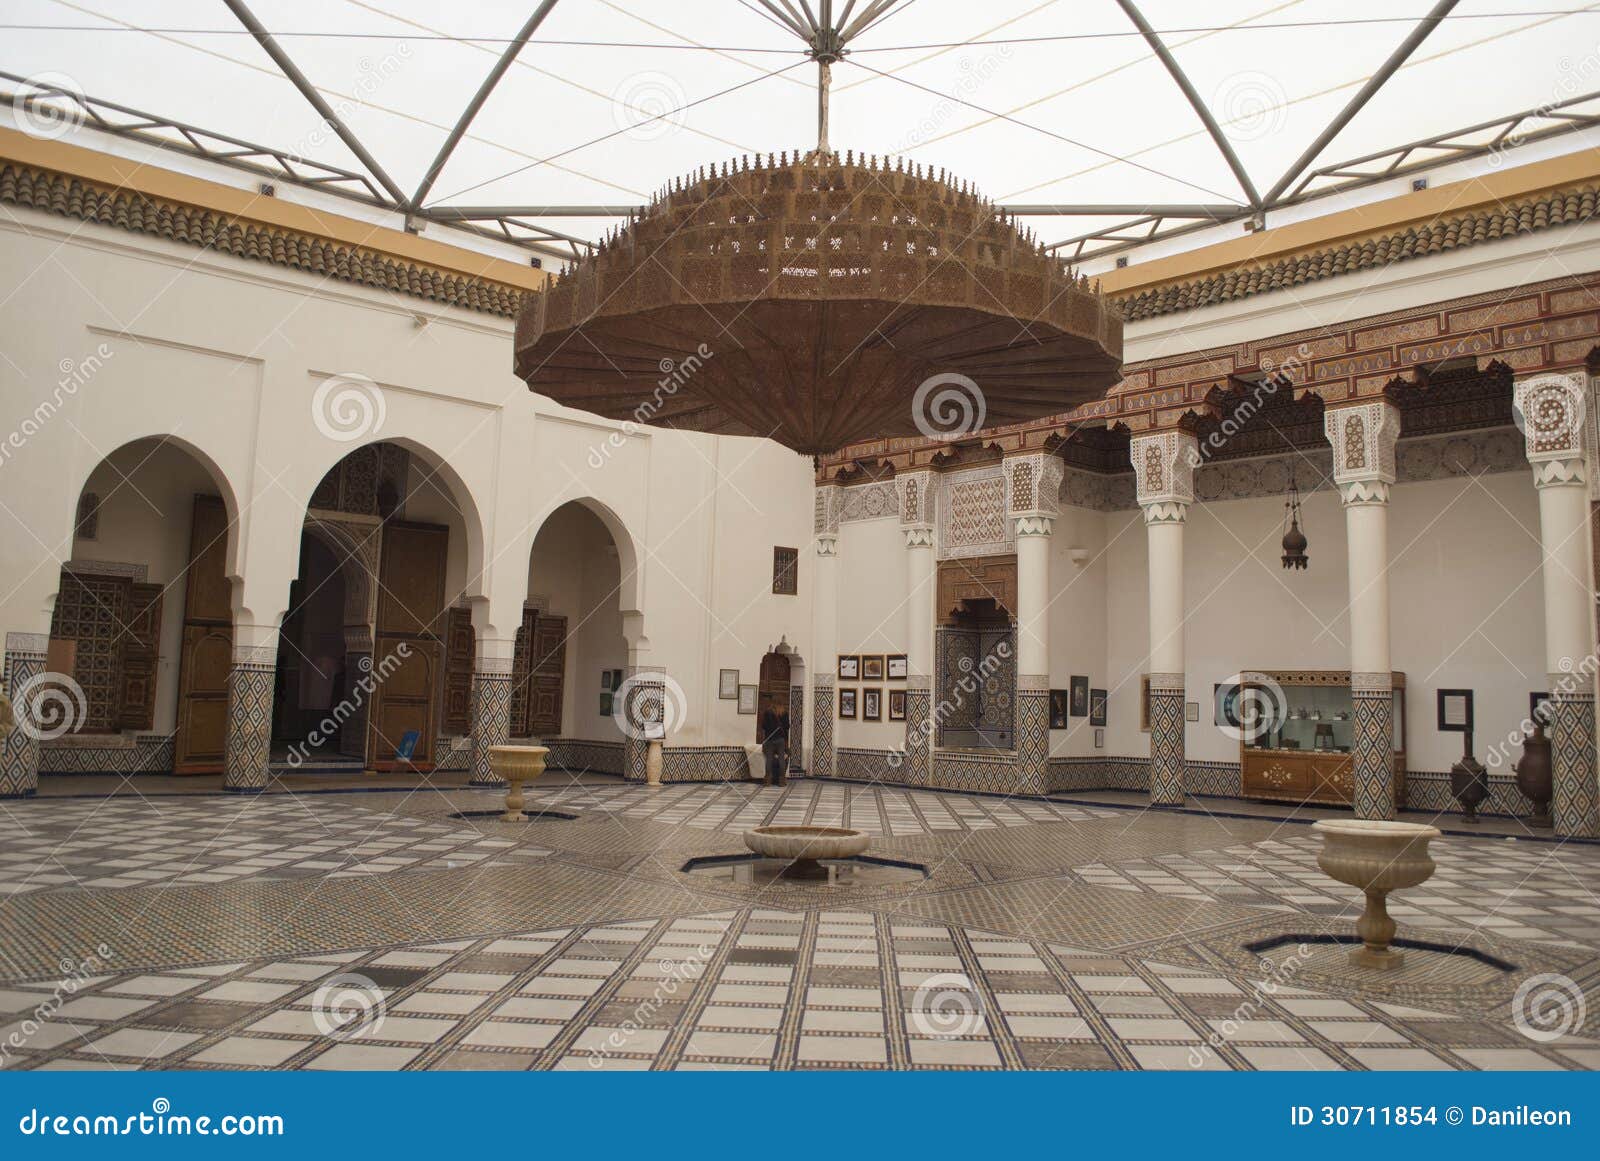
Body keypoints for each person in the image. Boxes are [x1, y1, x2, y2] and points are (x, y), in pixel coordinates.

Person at [760, 708, 789, 786]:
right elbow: (785, 729)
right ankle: (782, 780)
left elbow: (764, 730)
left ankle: (767, 780)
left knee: (769, 759)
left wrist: (763, 743)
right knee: (781, 759)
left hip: (769, 740)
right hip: (780, 740)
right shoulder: (780, 716)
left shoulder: (766, 717)